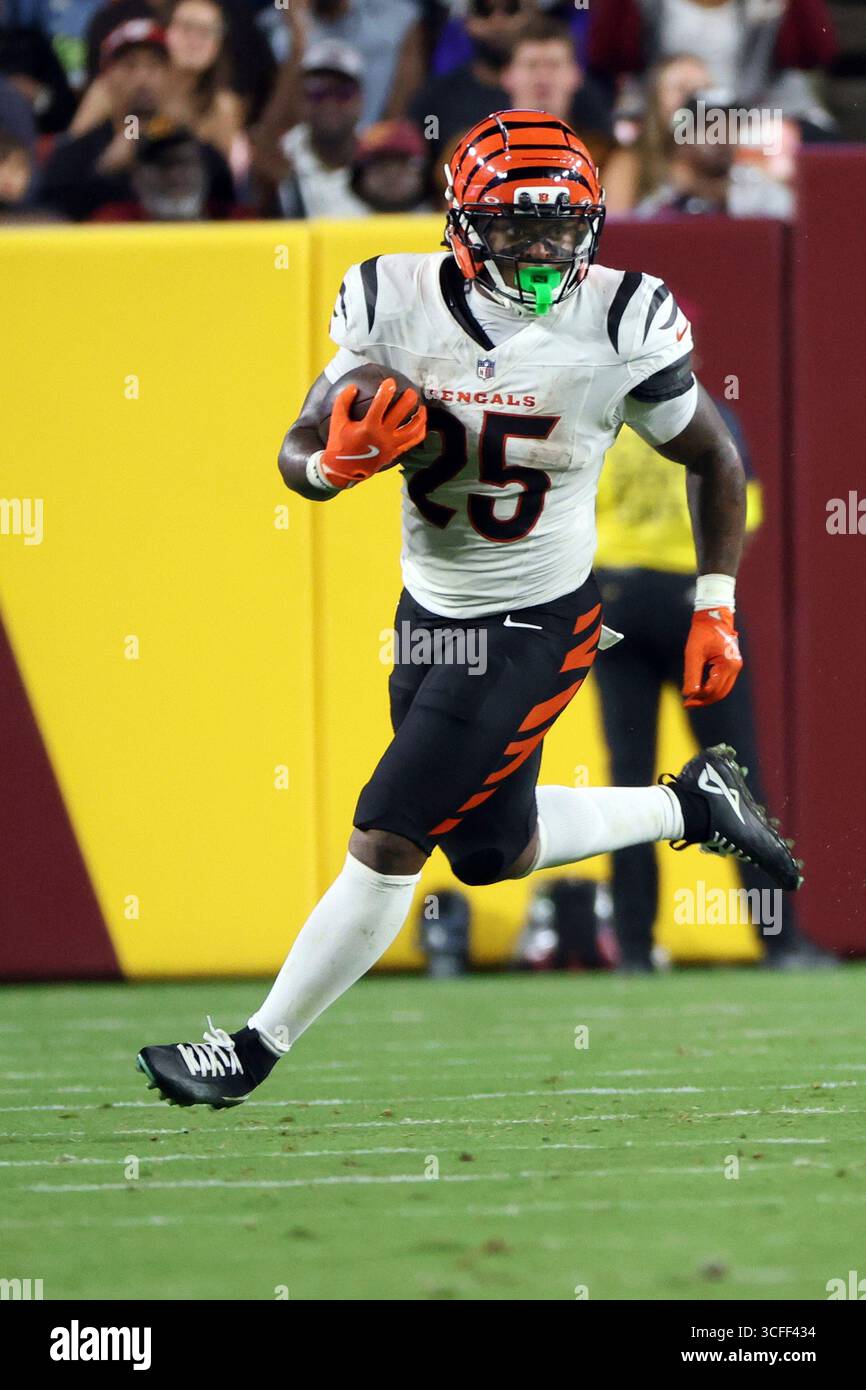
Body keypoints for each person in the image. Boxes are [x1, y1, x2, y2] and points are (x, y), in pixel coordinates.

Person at [136, 109, 802, 1108]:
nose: (539, 248)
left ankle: (250, 1049)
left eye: (560, 225)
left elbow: (711, 455)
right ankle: (689, 804)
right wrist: (324, 467)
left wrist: (716, 603)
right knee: (494, 850)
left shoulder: (621, 319)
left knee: (390, 830)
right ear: (457, 220)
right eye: (512, 225)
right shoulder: (389, 300)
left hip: (539, 621)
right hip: (428, 612)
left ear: (592, 222)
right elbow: (298, 443)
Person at [594, 413, 823, 970]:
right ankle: (781, 941)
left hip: (614, 600)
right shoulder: (705, 414)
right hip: (693, 601)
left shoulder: (599, 412)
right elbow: (745, 507)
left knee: (628, 781)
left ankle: (633, 949)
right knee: (738, 775)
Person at [36, 15, 233, 219]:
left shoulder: (197, 153)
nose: (142, 78)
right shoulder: (73, 156)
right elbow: (51, 220)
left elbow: (231, 218)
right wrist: (106, 171)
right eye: (130, 66)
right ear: (107, 78)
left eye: (154, 66)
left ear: (170, 77)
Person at [273, 39, 366, 220]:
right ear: (299, 99)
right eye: (316, 92)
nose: (329, 103)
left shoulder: (378, 155)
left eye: (342, 93)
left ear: (361, 100)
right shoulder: (280, 153)